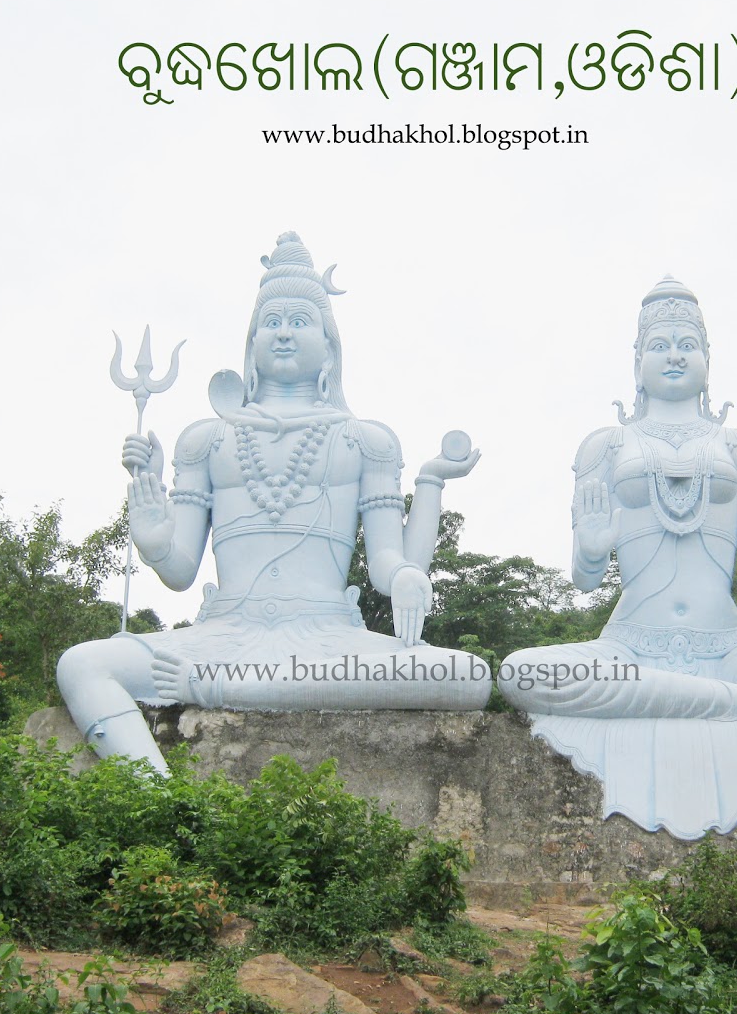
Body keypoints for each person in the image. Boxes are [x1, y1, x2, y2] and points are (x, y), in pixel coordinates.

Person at [57, 232, 490, 771]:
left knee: (467, 674)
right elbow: (180, 571)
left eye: (299, 321)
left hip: (326, 640)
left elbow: (388, 563)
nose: (283, 333)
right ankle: (156, 796)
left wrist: (407, 567)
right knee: (81, 665)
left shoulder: (366, 441)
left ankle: (220, 688)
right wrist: (153, 540)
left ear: (329, 345)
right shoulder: (207, 440)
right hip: (220, 636)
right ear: (252, 340)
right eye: (272, 321)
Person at [498, 275, 737, 888]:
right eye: (658, 343)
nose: (672, 353)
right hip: (631, 645)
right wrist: (589, 547)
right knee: (521, 672)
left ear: (708, 362)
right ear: (635, 363)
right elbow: (584, 579)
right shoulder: (606, 445)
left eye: (686, 342)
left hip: (729, 649)